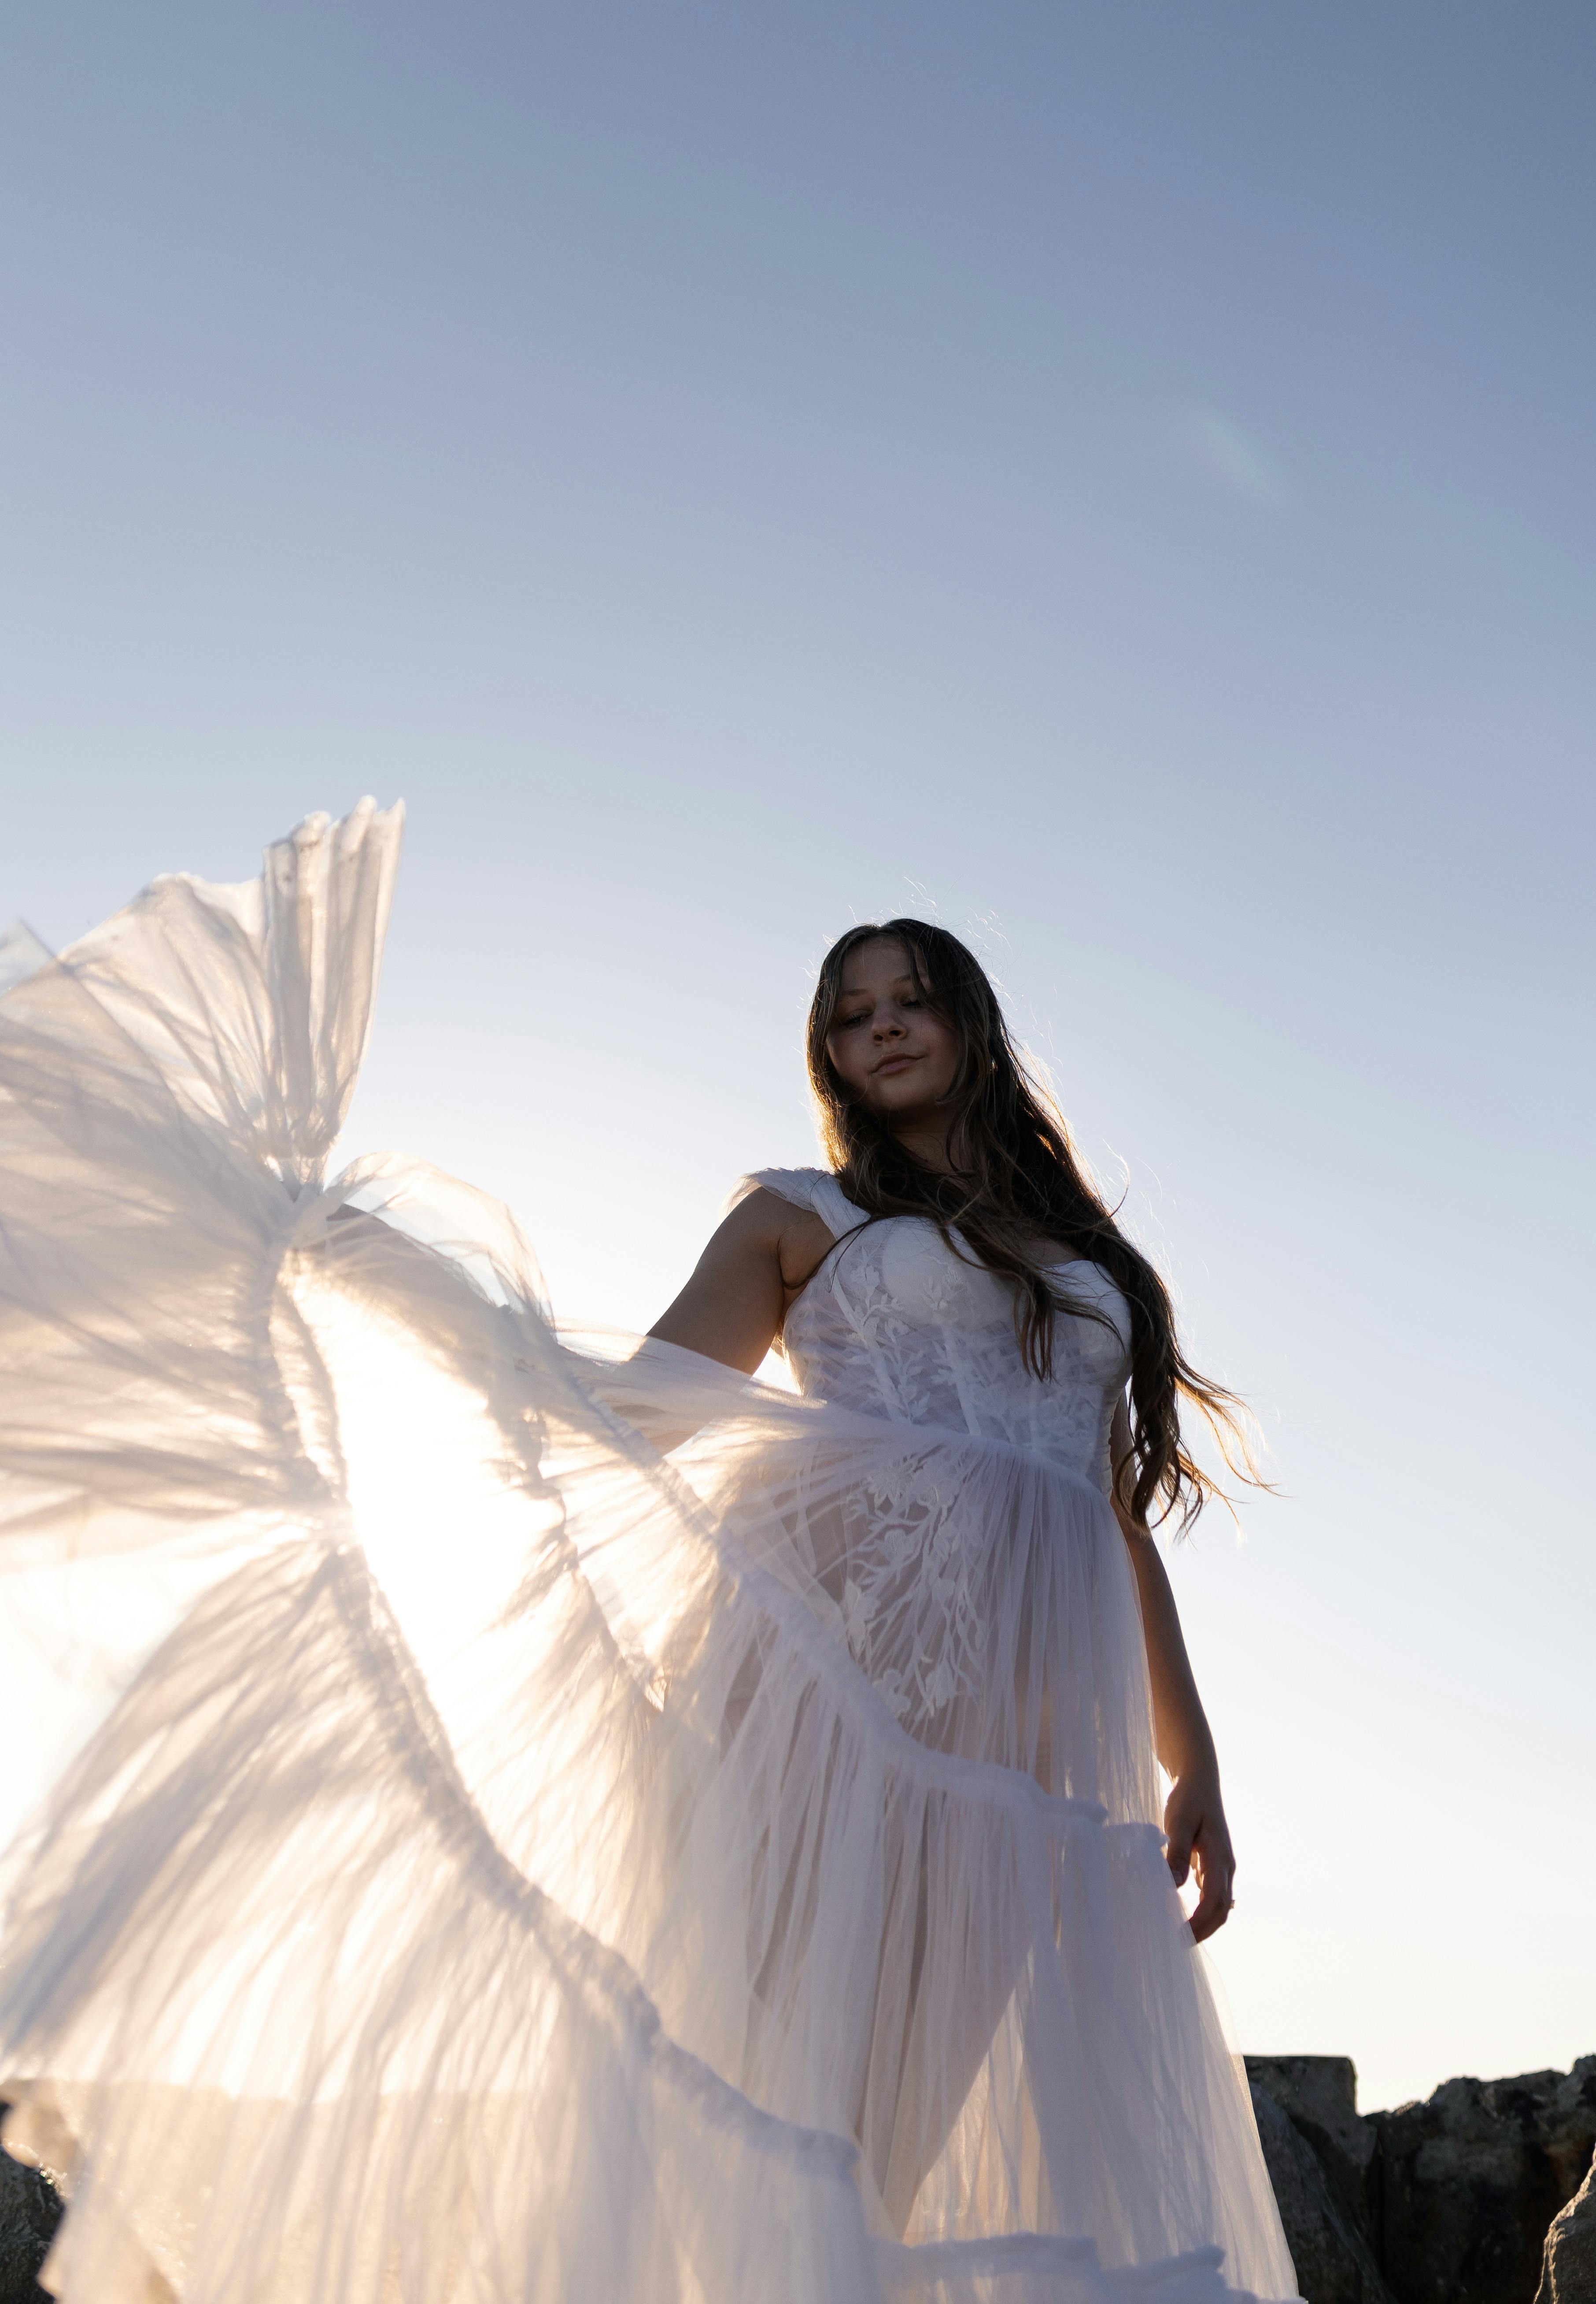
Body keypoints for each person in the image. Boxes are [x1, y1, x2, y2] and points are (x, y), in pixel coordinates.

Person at [0, 808, 1299, 2304]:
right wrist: (380, 1275)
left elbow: (1110, 1517)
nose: (881, 1032)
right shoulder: (801, 1219)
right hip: (827, 1694)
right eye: (850, 1017)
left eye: (908, 1002)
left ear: (968, 1021)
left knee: (897, 2140)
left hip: (1019, 1754)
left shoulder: (1080, 1256)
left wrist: (1187, 1760)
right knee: (769, 2093)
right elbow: (630, 1414)